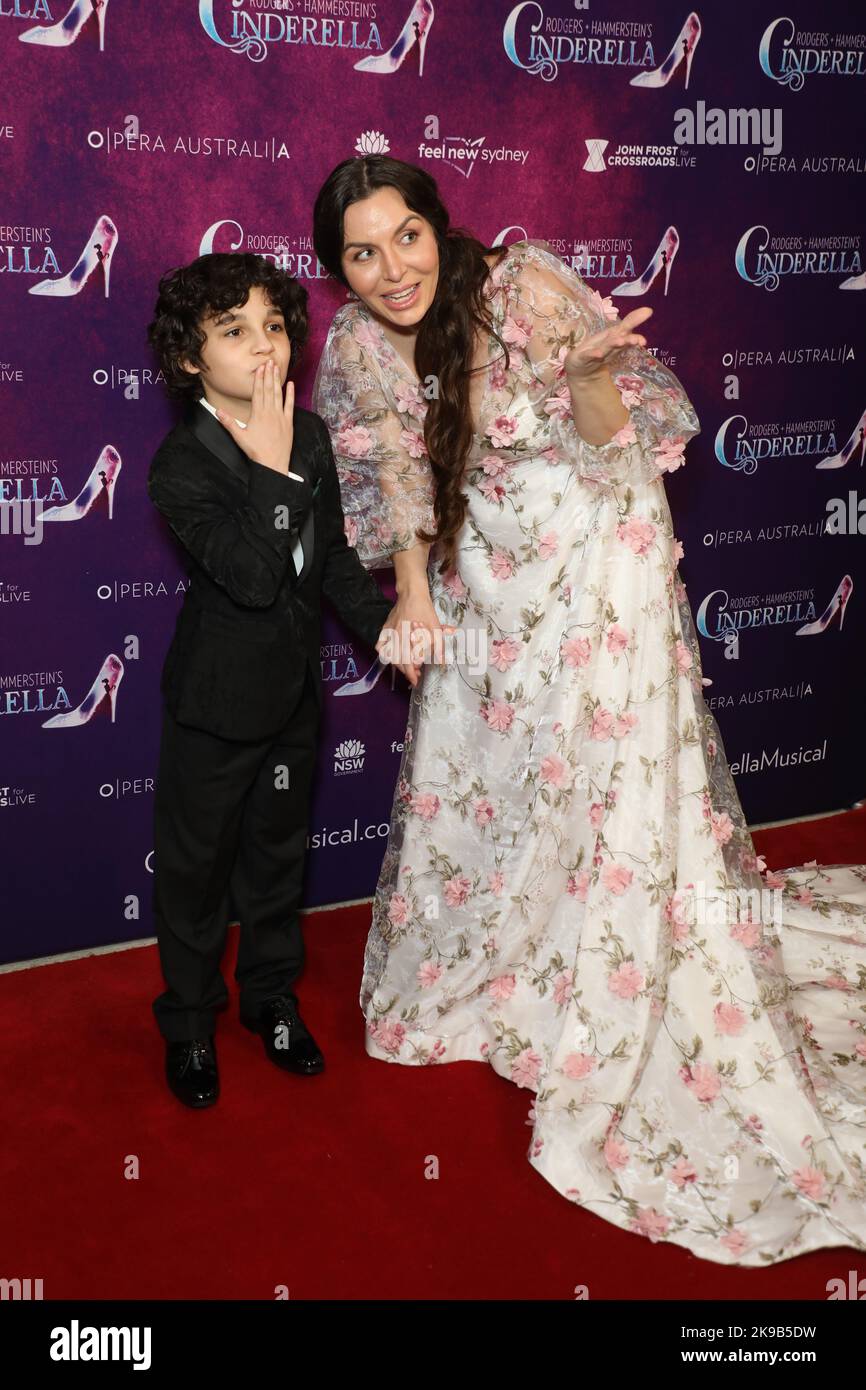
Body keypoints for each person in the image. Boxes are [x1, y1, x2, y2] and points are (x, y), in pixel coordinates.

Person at [311, 155, 866, 1266]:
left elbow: (619, 433)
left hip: (594, 564)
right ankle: (515, 960)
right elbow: (396, 490)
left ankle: (604, 965)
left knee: (604, 786)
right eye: (361, 253)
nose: (391, 269)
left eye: (405, 237)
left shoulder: (519, 287)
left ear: (438, 227)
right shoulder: (356, 349)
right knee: (494, 786)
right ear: (336, 270)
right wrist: (415, 600)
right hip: (486, 576)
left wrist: (591, 373)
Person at [145, 251, 408, 1108]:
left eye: (274, 325)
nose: (265, 348)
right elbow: (254, 579)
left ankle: (270, 1002)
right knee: (194, 874)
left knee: (274, 865)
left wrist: (386, 632)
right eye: (233, 331)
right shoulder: (178, 466)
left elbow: (326, 558)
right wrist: (269, 464)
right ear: (190, 359)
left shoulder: (316, 434)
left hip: (293, 701)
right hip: (215, 710)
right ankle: (188, 1023)